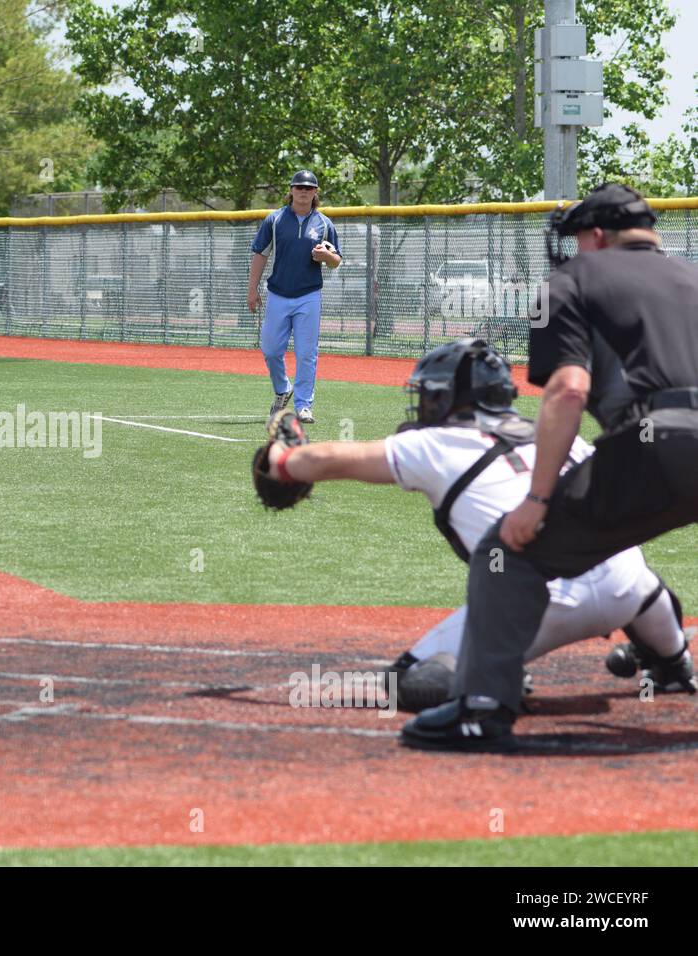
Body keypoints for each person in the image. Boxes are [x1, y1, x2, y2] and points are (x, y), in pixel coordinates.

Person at [401, 183, 698, 751]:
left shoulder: (574, 280)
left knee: (504, 554)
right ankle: (670, 657)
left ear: (594, 236)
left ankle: (481, 710)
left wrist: (536, 501)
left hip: (656, 444)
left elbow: (567, 391)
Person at [252, 338, 690, 712]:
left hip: (536, 604)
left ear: (449, 397)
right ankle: (673, 663)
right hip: (632, 591)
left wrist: (282, 459)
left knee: (405, 681)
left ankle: (491, 679)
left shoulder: (435, 444)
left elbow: (327, 461)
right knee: (629, 570)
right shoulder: (560, 435)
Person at [247, 169, 342, 424]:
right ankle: (282, 388)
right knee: (270, 349)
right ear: (290, 190)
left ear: (315, 193)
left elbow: (336, 261)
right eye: (298, 187)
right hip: (278, 293)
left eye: (308, 188)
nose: (303, 191)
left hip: (309, 295)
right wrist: (252, 289)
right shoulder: (275, 220)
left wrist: (327, 257)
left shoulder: (324, 224)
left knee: (306, 352)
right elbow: (260, 254)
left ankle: (303, 405)